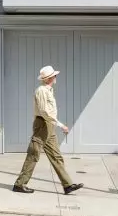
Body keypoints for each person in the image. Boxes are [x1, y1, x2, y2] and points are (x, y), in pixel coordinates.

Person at [13, 65, 84, 195]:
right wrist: (61, 125)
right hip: (43, 125)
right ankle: (19, 184)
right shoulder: (41, 91)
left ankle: (67, 185)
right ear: (50, 78)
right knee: (34, 154)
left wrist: (55, 124)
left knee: (56, 156)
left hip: (49, 126)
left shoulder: (49, 90)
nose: (56, 77)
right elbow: (44, 111)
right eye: (54, 75)